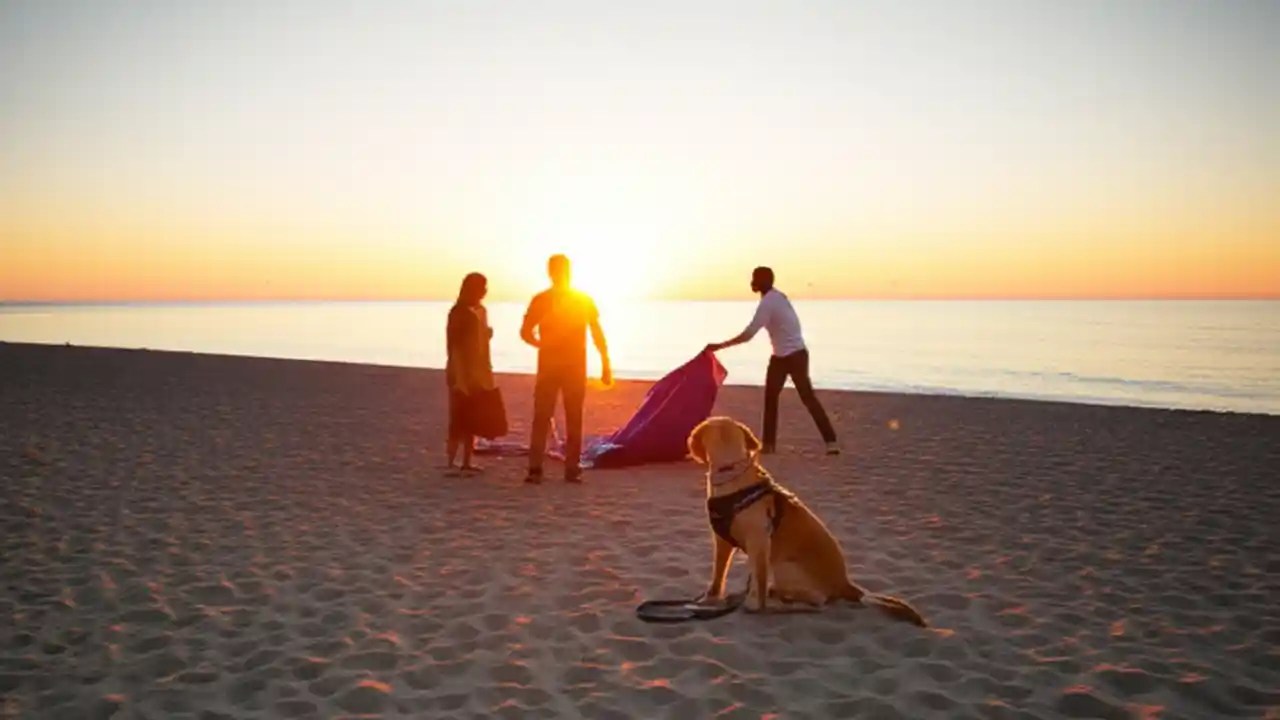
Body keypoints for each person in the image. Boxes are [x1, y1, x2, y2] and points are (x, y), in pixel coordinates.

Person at [705, 266, 840, 455]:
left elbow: (749, 334)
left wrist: (720, 345)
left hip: (794, 356)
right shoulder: (778, 297)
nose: (752, 282)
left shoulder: (768, 302)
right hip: (782, 356)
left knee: (807, 398)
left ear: (764, 281)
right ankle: (769, 446)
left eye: (755, 279)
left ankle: (830, 442)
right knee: (772, 399)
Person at [520, 254, 612, 484]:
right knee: (548, 416)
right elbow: (525, 331)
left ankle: (563, 469)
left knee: (565, 417)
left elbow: (596, 330)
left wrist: (605, 361)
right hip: (556, 366)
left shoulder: (579, 299)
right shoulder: (544, 299)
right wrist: (542, 344)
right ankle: (541, 469)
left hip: (568, 366)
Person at [445, 272, 496, 474]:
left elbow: (480, 343)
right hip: (460, 370)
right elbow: (454, 346)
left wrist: (487, 336)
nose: (484, 292)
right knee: (457, 417)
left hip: (479, 370)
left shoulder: (481, 311)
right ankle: (451, 459)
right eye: (481, 287)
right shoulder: (458, 312)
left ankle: (467, 460)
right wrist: (459, 376)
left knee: (473, 418)